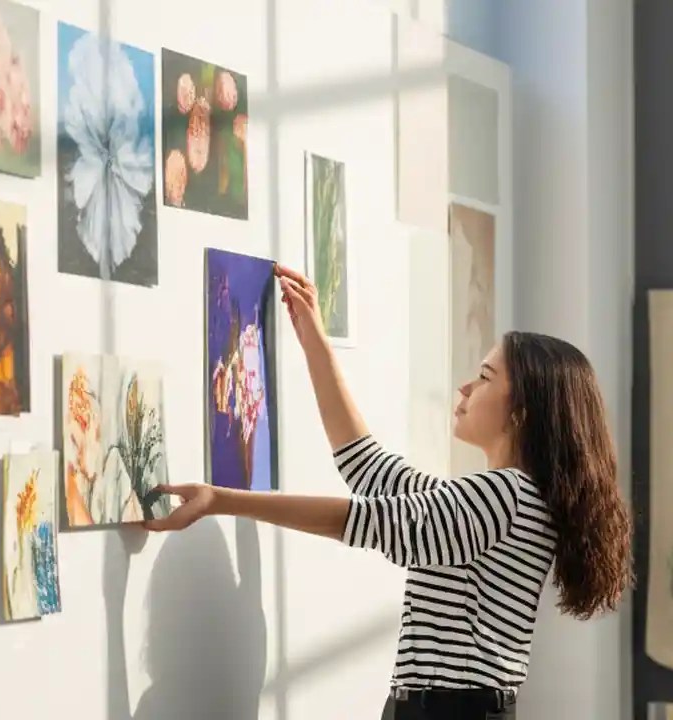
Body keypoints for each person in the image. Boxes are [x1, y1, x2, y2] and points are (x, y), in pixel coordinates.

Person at [144, 264, 633, 720]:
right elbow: (367, 466)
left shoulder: (501, 496)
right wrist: (313, 338)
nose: (465, 388)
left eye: (484, 377)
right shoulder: (508, 499)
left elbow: (364, 519)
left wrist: (222, 500)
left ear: (522, 412)